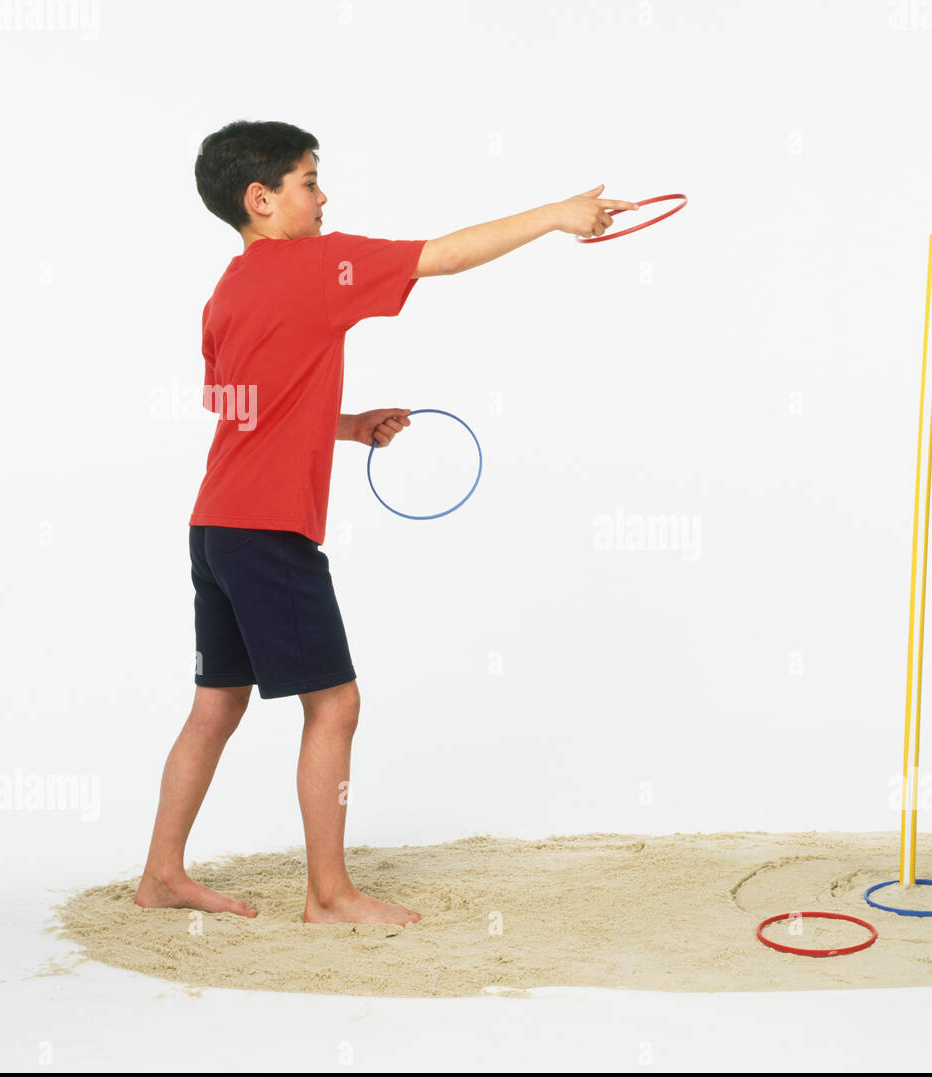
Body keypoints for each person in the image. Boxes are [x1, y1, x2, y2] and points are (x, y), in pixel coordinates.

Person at [135, 119, 635, 925]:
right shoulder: (316, 264)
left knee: (214, 706)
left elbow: (235, 406)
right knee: (335, 706)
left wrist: (345, 423)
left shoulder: (226, 290)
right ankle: (329, 897)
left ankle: (162, 875)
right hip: (268, 532)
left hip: (215, 527)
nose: (323, 194)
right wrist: (555, 214)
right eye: (307, 181)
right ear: (260, 199)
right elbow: (441, 254)